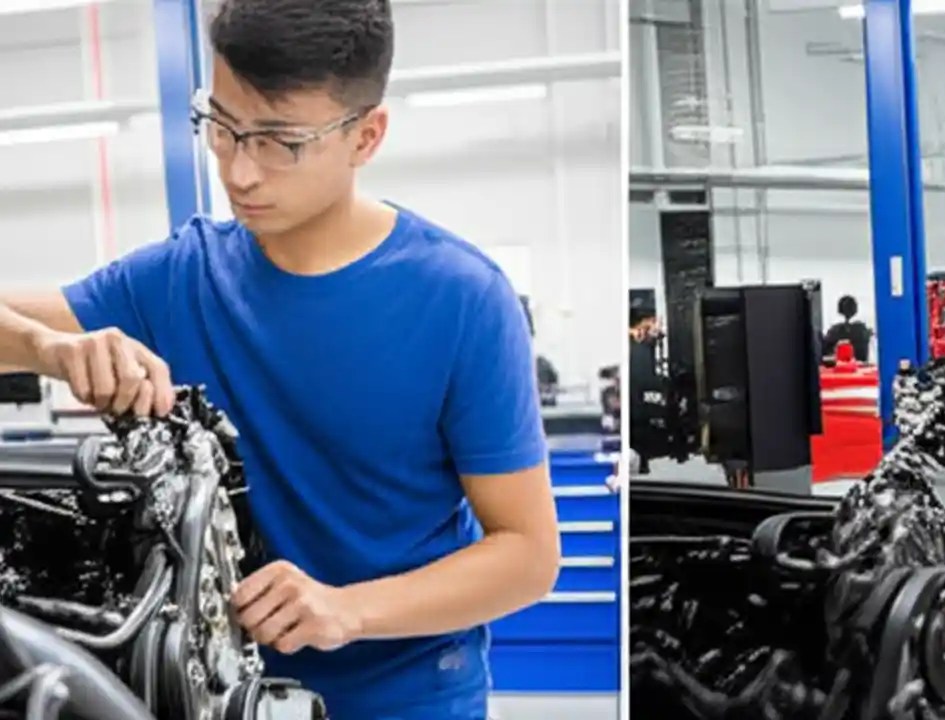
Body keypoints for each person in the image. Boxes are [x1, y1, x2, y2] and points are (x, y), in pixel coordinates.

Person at [0, 1, 560, 717]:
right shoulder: (178, 278)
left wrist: (346, 610)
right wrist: (47, 347)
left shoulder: (463, 300)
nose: (240, 172)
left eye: (277, 141)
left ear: (366, 136)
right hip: (217, 693)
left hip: (406, 699)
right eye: (222, 127)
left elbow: (527, 555)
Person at [822, 295, 873, 362]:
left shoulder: (834, 331)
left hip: (839, 369)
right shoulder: (862, 330)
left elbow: (824, 353)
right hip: (860, 367)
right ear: (855, 309)